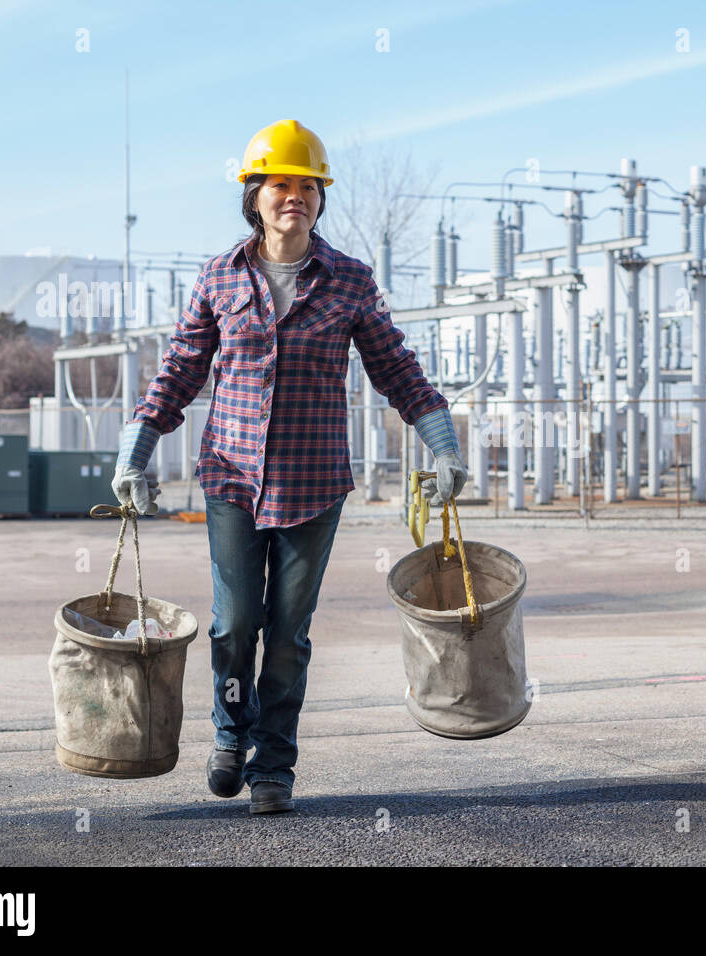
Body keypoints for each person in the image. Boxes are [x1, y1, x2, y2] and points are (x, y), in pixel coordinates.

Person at [111, 119, 468, 815]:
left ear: (320, 198)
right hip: (231, 478)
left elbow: (398, 369)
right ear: (254, 195)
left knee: (288, 632)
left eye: (307, 186)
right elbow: (180, 371)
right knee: (235, 622)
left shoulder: (350, 283)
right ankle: (228, 732)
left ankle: (274, 766)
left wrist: (443, 445)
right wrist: (136, 451)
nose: (294, 196)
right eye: (280, 184)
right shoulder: (219, 276)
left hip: (313, 484)